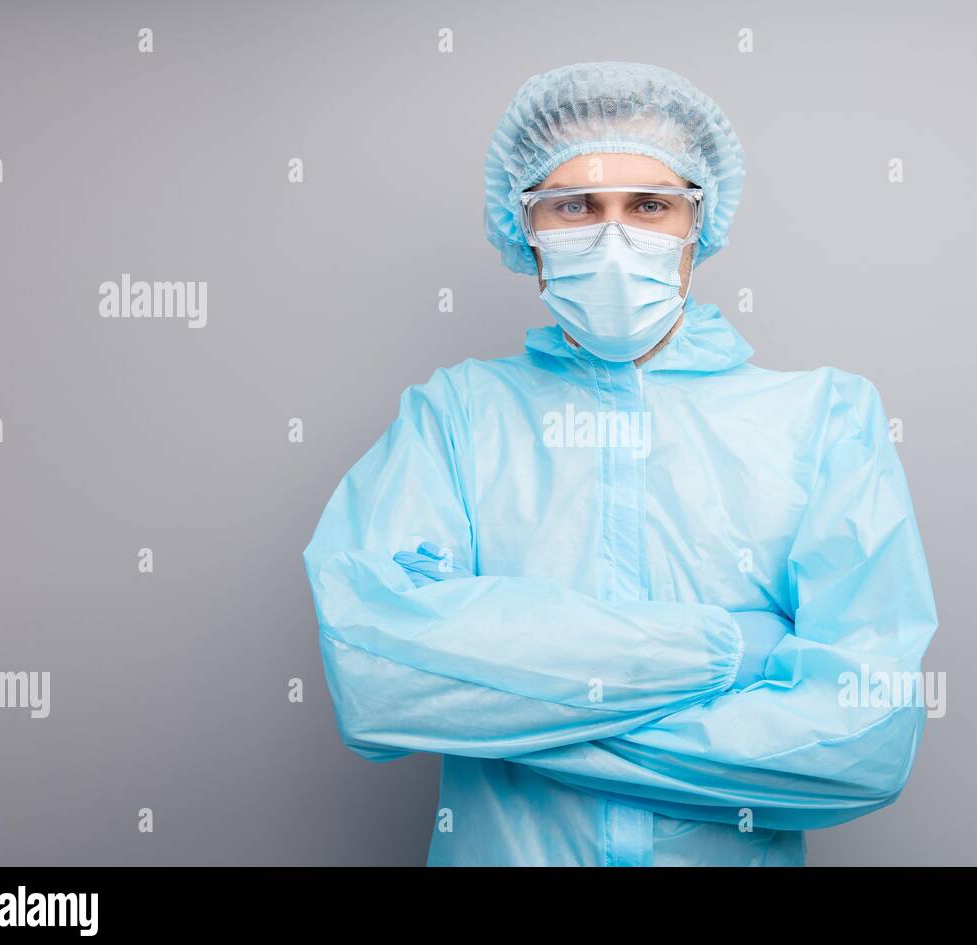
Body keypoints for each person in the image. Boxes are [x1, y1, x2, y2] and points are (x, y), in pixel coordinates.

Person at [302, 61, 939, 867]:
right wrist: (729, 653)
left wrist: (504, 708)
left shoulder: (821, 419)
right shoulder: (457, 417)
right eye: (574, 206)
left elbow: (864, 743)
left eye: (648, 206)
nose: (612, 238)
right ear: (525, 228)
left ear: (698, 224)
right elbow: (376, 678)